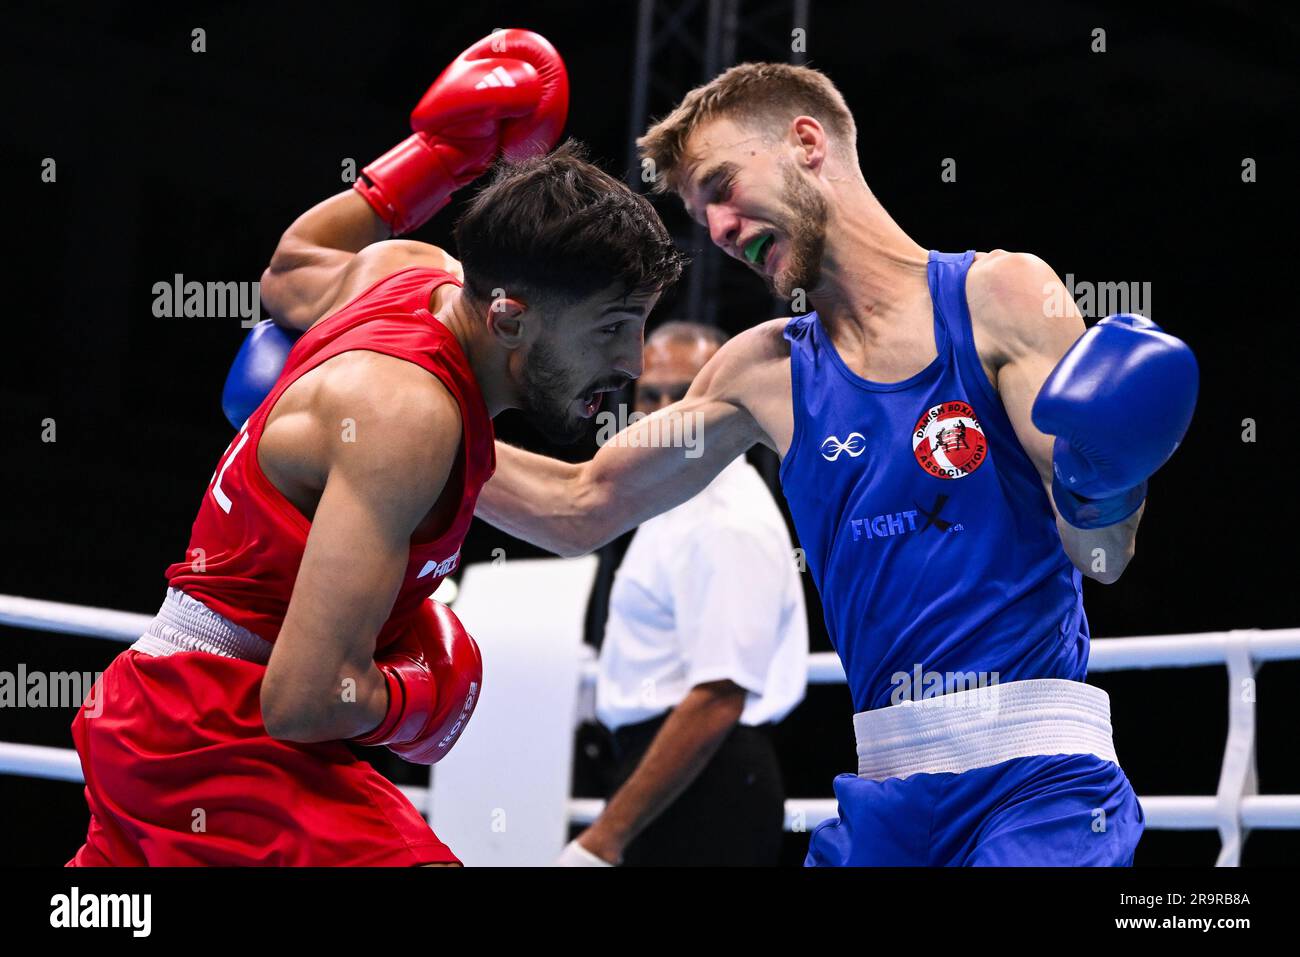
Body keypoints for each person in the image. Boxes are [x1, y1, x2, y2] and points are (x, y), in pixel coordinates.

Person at [477, 62, 1199, 866]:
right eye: (698, 211)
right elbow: (582, 501)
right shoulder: (764, 371)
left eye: (720, 183)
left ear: (808, 142)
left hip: (1037, 792)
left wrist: (1105, 482)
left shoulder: (1002, 297)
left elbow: (1102, 557)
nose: (716, 227)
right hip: (884, 804)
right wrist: (419, 424)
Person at [67, 29, 685, 866]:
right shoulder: (405, 420)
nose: (629, 361)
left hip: (174, 716)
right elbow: (306, 698)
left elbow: (292, 270)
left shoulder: (408, 269)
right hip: (213, 736)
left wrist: (436, 156)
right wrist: (424, 698)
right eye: (612, 328)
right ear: (508, 317)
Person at [558, 322, 807, 867]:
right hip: (666, 771)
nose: (667, 409)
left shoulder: (727, 516)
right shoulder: (675, 502)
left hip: (705, 781)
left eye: (687, 391)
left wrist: (604, 837)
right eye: (652, 394)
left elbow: (719, 694)